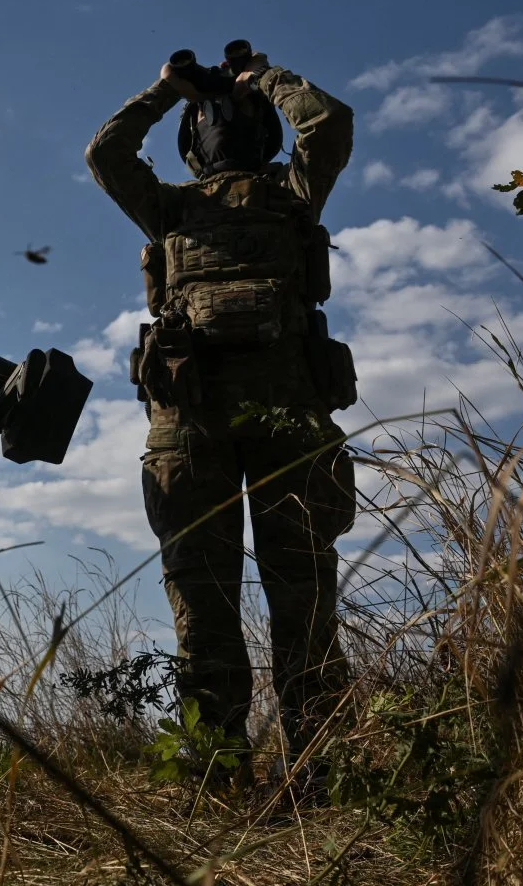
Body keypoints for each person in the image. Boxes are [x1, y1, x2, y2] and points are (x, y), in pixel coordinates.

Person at [85, 42, 359, 783]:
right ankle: (217, 770)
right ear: (189, 136)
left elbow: (328, 122)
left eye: (237, 116)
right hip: (191, 430)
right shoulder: (170, 207)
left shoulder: (291, 195)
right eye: (208, 118)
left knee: (304, 599)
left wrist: (259, 78)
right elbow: (105, 155)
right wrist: (167, 89)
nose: (222, 124)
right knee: (201, 609)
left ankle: (326, 769)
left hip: (290, 419)